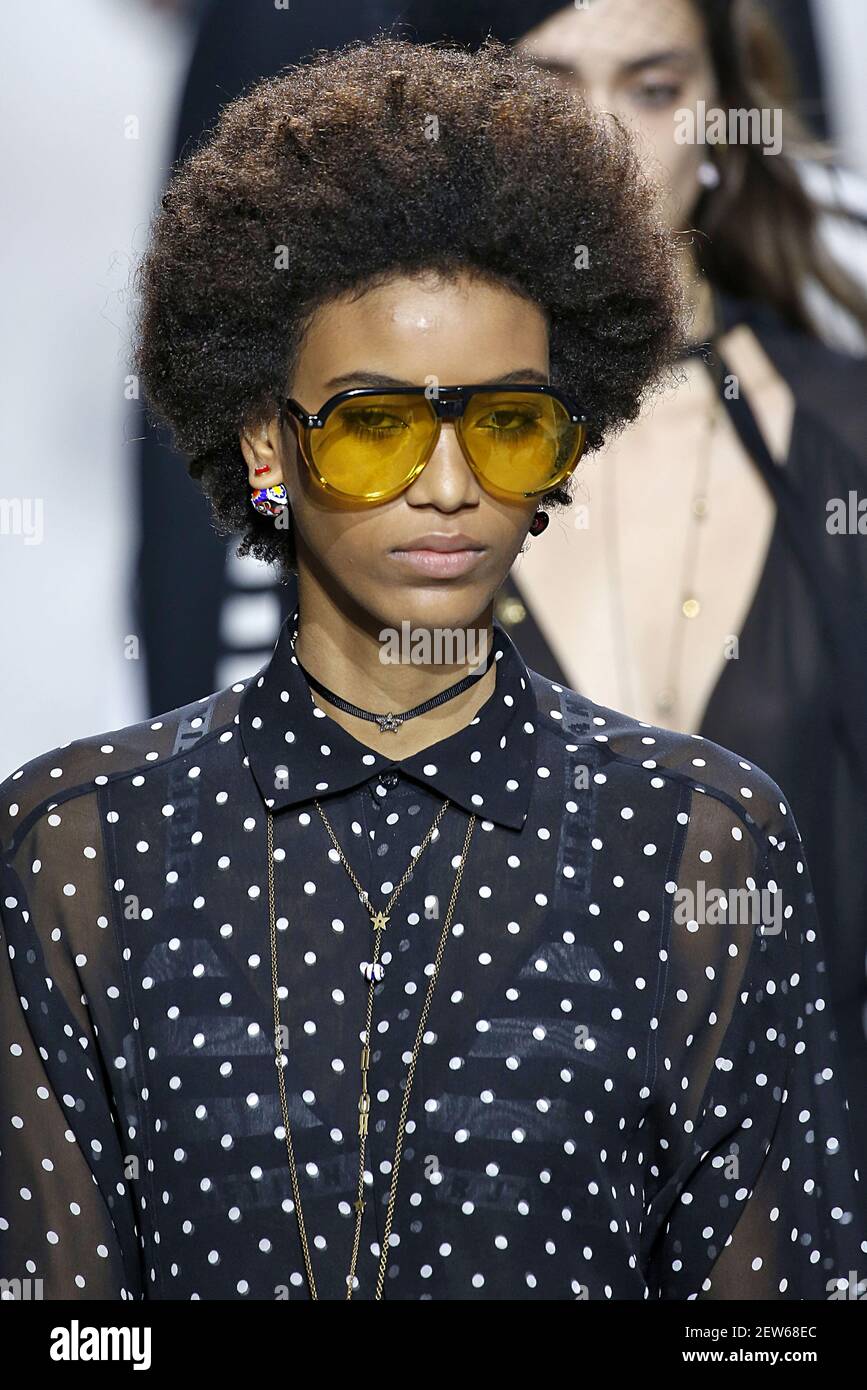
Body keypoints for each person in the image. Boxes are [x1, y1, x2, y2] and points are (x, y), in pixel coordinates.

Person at [0, 36, 862, 1301]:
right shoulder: (79, 845)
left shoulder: (699, 838)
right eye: (374, 426)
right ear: (264, 445)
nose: (449, 486)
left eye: (509, 424)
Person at [406, 0, 867, 1180]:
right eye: (548, 91)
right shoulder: (375, 458)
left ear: (725, 119)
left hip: (807, 1220)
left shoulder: (848, 445)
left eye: (655, 88)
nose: (602, 141)